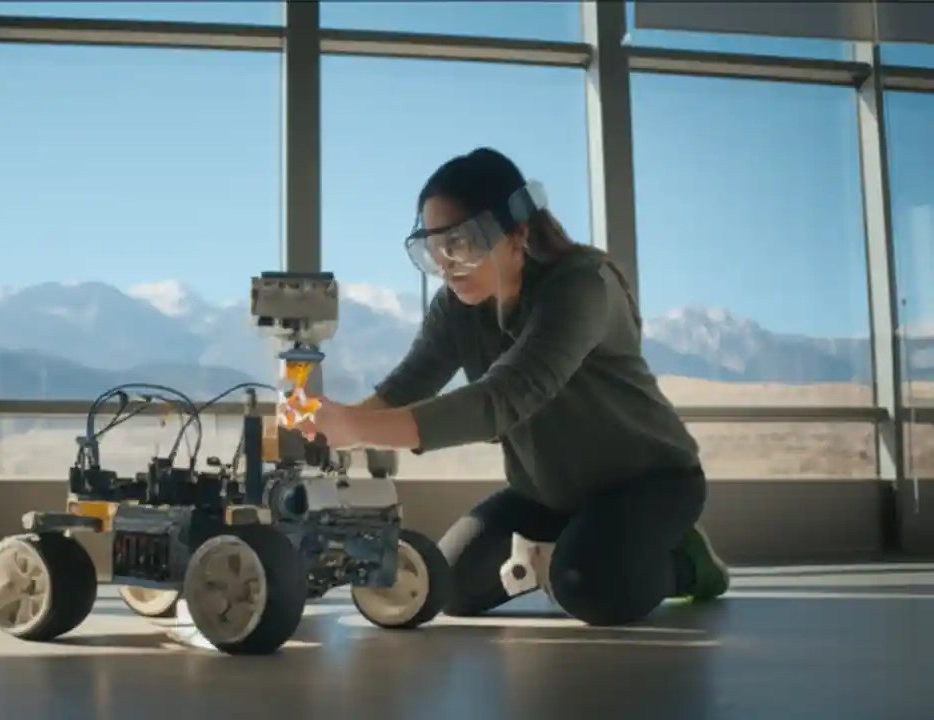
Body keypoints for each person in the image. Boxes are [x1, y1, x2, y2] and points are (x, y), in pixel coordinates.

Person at [294, 147, 730, 626]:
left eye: (459, 241)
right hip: (548, 495)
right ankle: (581, 541)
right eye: (433, 247)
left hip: (648, 483)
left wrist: (355, 425)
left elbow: (504, 397)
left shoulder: (581, 287)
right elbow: (408, 386)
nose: (445, 262)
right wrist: (331, 424)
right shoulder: (456, 305)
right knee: (449, 586)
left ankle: (688, 564)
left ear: (517, 233)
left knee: (589, 587)